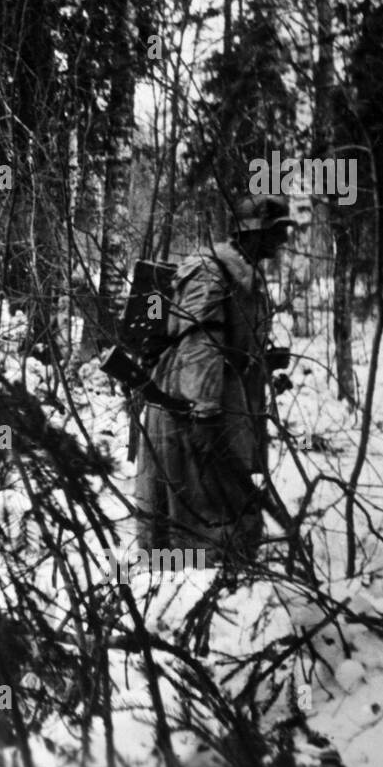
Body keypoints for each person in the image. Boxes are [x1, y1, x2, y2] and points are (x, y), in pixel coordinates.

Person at [133, 194, 295, 563]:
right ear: (253, 232)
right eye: (276, 231)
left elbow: (231, 340)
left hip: (217, 395)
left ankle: (218, 567)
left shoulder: (243, 271)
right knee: (197, 496)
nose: (282, 240)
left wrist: (264, 360)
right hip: (191, 397)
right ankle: (192, 586)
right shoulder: (212, 272)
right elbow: (200, 345)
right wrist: (203, 414)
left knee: (216, 496)